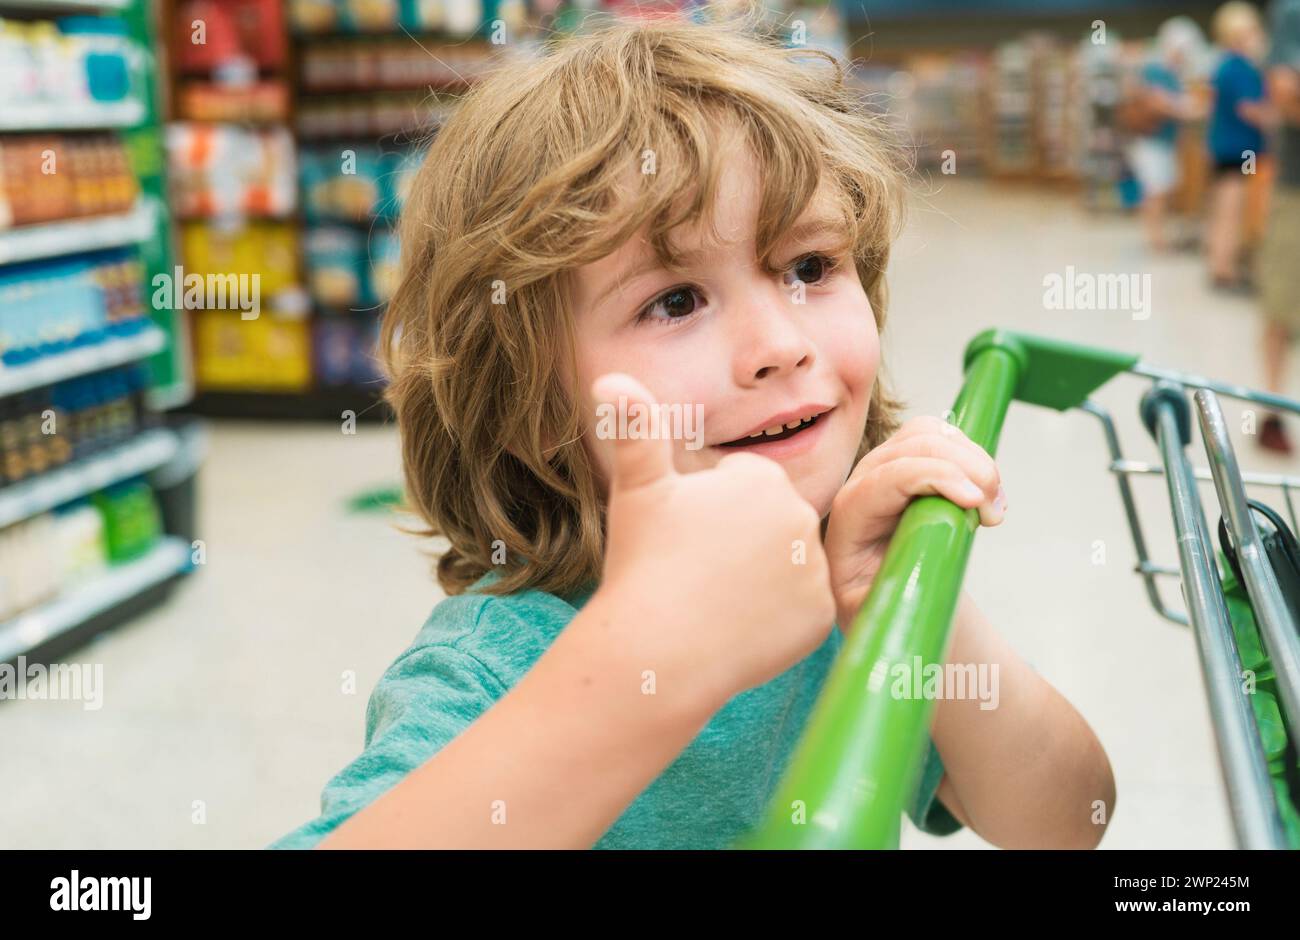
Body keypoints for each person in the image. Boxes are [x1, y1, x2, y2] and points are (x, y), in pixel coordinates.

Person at [270, 9, 1114, 850]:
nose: (779, 347)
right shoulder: (489, 670)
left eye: (809, 268)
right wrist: (648, 663)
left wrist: (905, 599)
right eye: (673, 302)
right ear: (532, 406)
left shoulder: (837, 566)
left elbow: (1069, 823)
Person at [1125, 17, 1206, 251]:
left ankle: (1159, 235)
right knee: (1155, 190)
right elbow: (1158, 102)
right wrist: (1187, 108)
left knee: (1163, 189)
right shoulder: (1155, 69)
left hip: (1166, 143)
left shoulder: (1172, 73)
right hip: (1151, 142)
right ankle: (1155, 239)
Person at [1206, 2, 1271, 292]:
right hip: (1241, 151)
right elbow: (1249, 109)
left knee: (1224, 209)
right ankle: (1224, 269)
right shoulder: (1240, 67)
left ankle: (1221, 264)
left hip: (1226, 148)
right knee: (1233, 210)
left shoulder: (1224, 65)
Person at [1259, 0, 1300, 453]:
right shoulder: (1291, 12)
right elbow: (1285, 95)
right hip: (1295, 188)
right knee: (1283, 304)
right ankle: (1272, 413)